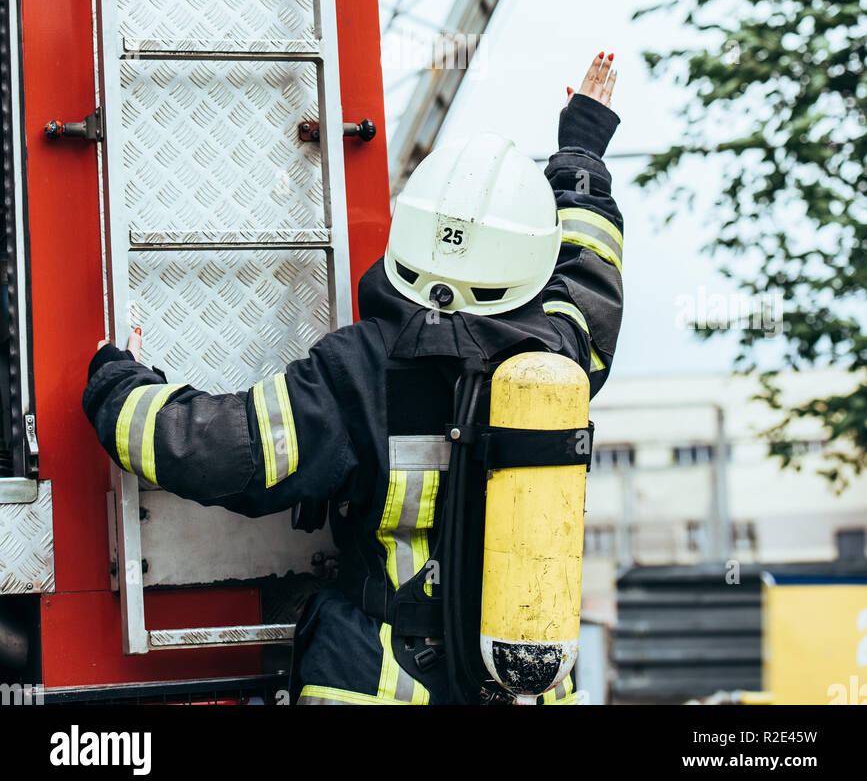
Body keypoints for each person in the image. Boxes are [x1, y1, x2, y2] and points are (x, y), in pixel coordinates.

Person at [83, 52, 623, 705]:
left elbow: (215, 451)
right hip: (520, 687)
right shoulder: (561, 357)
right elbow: (590, 275)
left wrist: (116, 385)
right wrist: (580, 156)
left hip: (380, 685)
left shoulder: (359, 368)